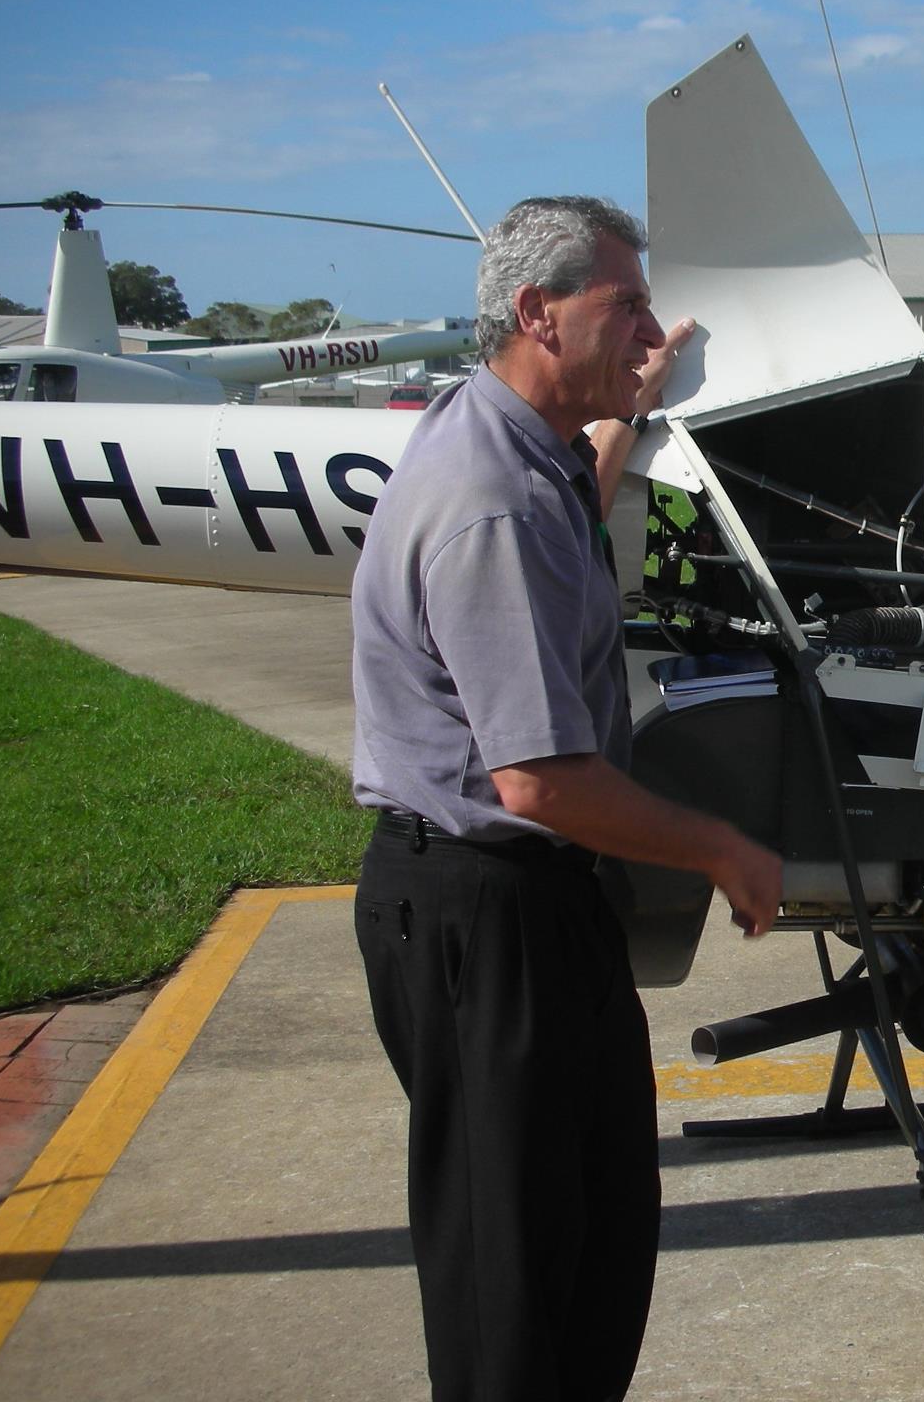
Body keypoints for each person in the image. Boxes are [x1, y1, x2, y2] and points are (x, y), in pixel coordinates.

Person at [350, 195, 783, 1401]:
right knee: (517, 1285)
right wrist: (721, 848)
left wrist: (623, 419)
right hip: (489, 915)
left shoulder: (508, 442)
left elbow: (563, 521)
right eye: (626, 305)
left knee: (589, 1236)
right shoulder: (491, 502)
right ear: (539, 312)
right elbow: (538, 779)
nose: (647, 331)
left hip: (523, 909)